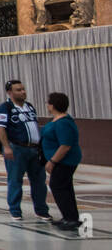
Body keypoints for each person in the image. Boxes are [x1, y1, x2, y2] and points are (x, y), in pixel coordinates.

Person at [0, 79, 50, 223]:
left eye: (23, 89)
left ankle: (42, 210)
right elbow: (0, 129)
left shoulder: (29, 107)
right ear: (10, 92)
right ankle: (15, 211)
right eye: (18, 90)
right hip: (17, 148)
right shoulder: (4, 108)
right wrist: (6, 147)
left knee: (39, 181)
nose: (23, 92)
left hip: (34, 149)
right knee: (15, 180)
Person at [42, 92, 82, 231]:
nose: (47, 105)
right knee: (65, 187)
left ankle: (71, 219)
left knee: (58, 186)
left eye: (48, 102)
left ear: (52, 105)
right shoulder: (58, 120)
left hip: (65, 161)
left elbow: (65, 145)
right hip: (62, 160)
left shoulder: (63, 123)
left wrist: (52, 161)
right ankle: (69, 217)